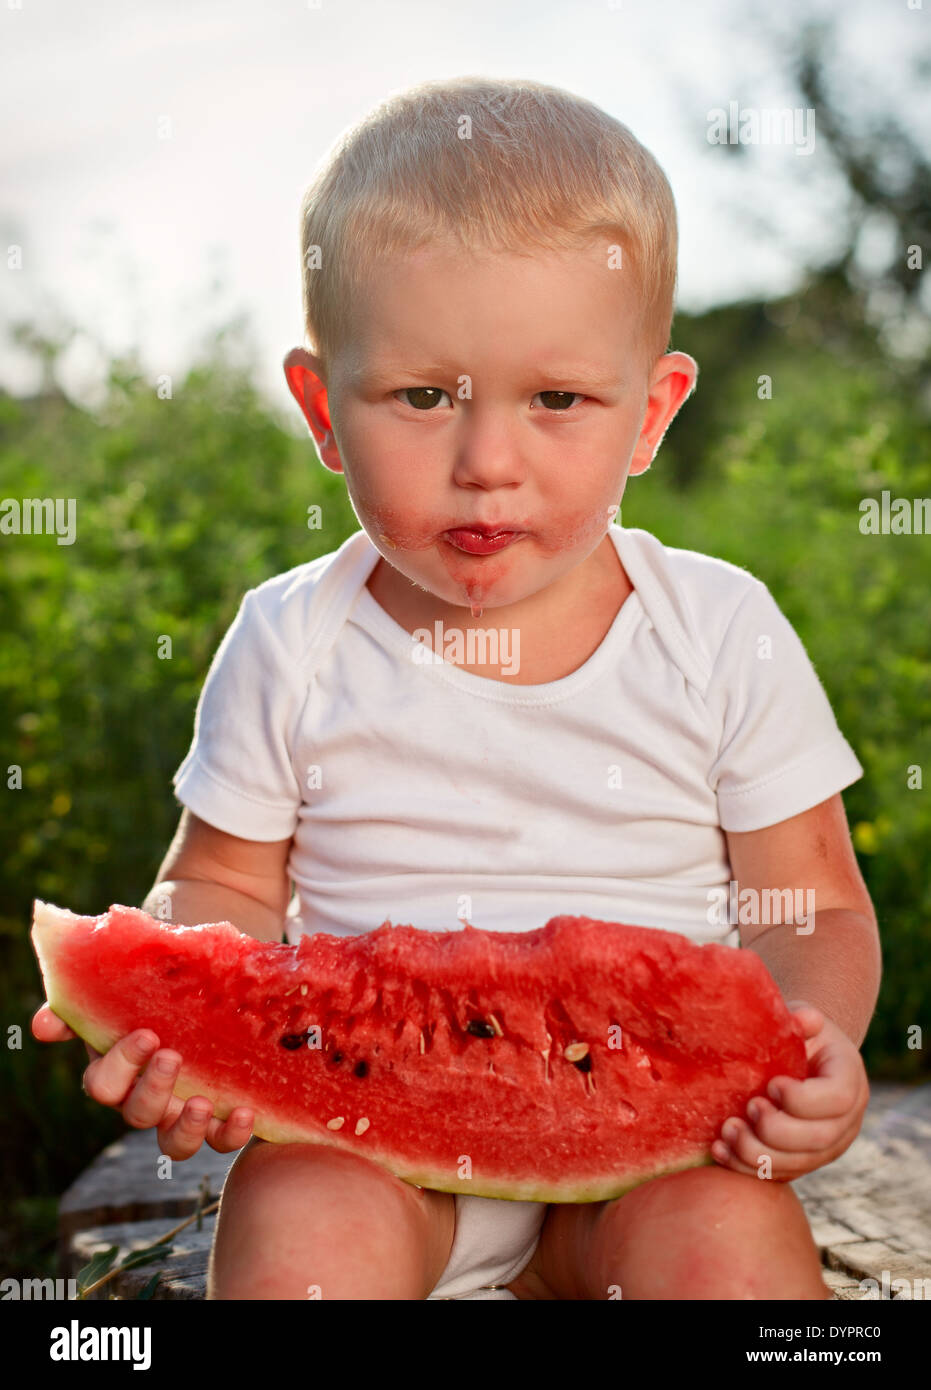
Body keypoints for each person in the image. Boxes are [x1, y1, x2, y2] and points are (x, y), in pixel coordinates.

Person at [32, 76, 880, 1300]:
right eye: (422, 397)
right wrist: (178, 1001)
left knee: (726, 1246)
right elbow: (221, 877)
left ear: (650, 416)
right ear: (324, 410)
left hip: (658, 1166)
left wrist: (810, 1046)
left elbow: (811, 903)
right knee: (296, 1224)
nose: (489, 465)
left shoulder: (717, 627)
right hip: (367, 1156)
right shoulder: (290, 637)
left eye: (557, 400)